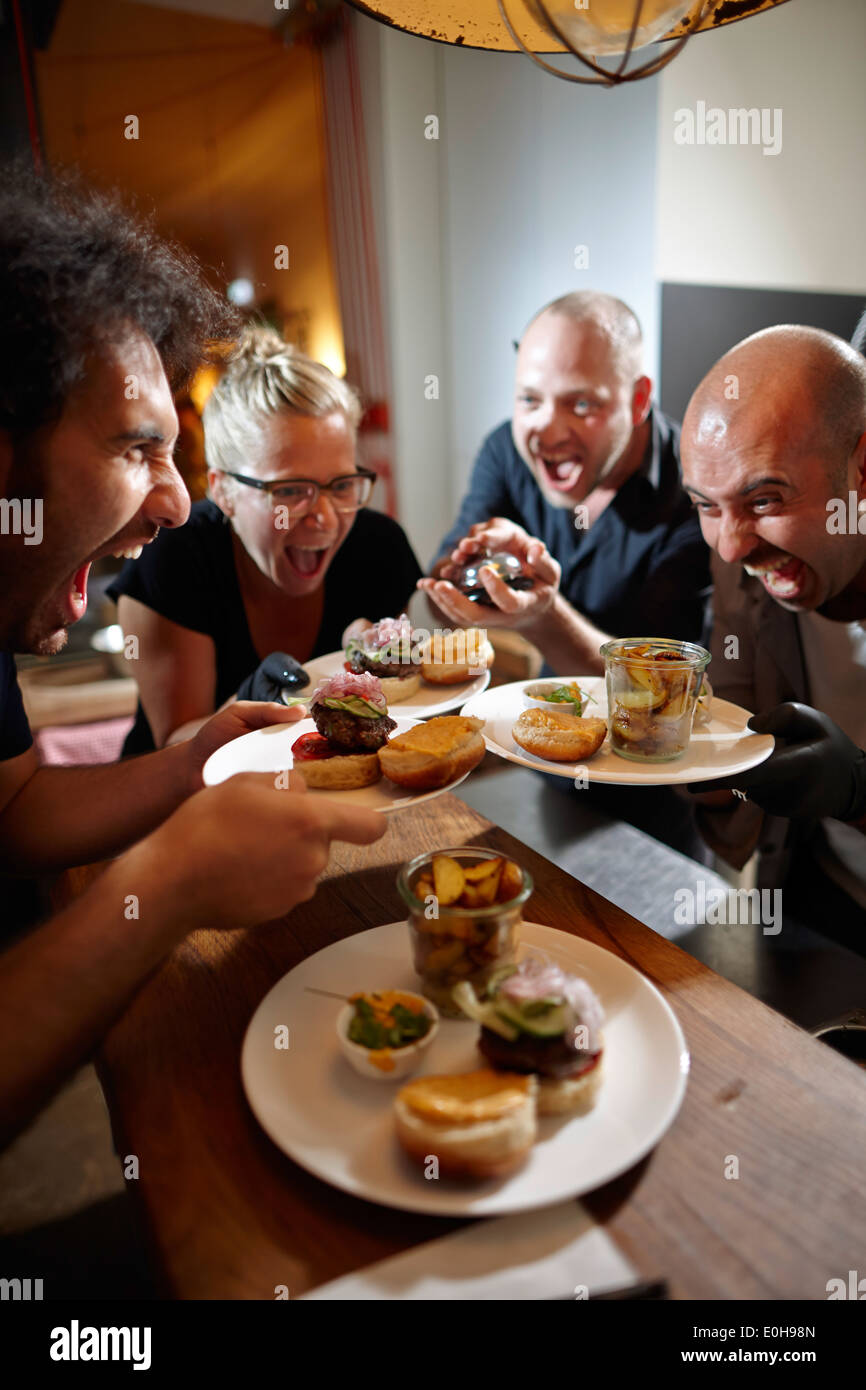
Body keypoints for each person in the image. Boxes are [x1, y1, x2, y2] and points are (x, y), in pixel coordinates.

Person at [0, 167, 385, 1147]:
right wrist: (165, 884)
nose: (174, 505)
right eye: (137, 448)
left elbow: (14, 810)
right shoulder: (182, 568)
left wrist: (189, 761)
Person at [109, 326, 423, 752]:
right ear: (223, 490)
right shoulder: (174, 556)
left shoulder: (379, 548)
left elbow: (406, 711)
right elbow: (173, 746)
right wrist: (245, 703)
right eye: (290, 490)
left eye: (342, 484)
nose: (325, 517)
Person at [680, 326, 866, 947]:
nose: (732, 548)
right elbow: (726, 747)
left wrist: (857, 791)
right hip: (820, 901)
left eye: (764, 500)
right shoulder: (743, 559)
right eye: (706, 506)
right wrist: (686, 757)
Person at [418, 291, 710, 673]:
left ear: (638, 401)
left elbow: (658, 687)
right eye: (529, 400)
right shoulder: (505, 450)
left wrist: (542, 613)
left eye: (582, 404)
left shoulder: (697, 494)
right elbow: (439, 605)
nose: (548, 432)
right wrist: (478, 565)